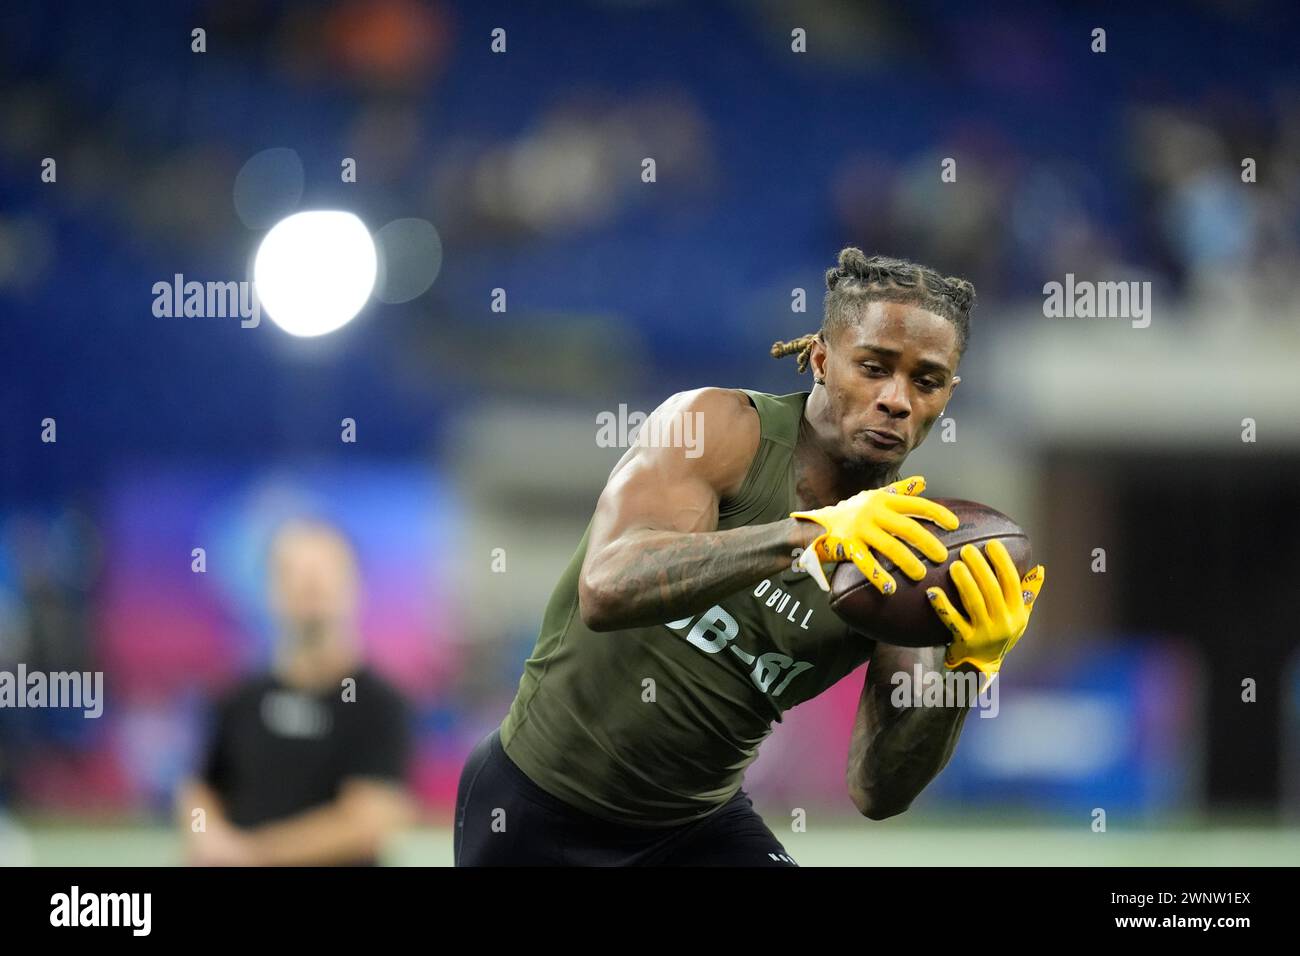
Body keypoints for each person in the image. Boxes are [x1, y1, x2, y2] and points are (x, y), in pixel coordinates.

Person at [455, 247, 1045, 866]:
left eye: (925, 381)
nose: (896, 399)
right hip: (534, 805)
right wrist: (805, 534)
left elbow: (877, 789)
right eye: (873, 367)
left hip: (694, 829)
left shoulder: (911, 555)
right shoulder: (717, 427)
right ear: (820, 358)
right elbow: (606, 588)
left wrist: (970, 670)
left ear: (947, 394)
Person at [178, 519, 414, 866]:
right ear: (270, 588)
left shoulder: (380, 705)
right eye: (295, 573)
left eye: (324, 573)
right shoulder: (237, 697)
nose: (310, 584)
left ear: (355, 585)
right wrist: (208, 839)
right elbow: (202, 789)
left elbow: (367, 823)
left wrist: (249, 856)